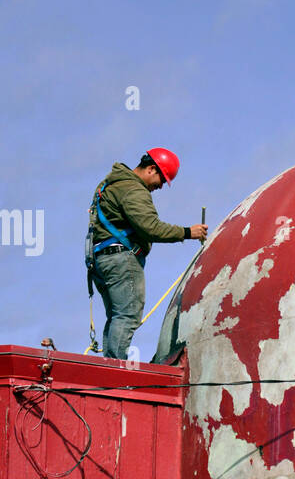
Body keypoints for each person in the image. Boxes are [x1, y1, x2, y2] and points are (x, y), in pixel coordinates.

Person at [86, 148, 207, 359]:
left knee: (116, 317)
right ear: (152, 169)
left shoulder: (110, 185)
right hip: (122, 259)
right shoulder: (133, 189)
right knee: (127, 315)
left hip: (100, 259)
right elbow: (150, 227)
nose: (160, 187)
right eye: (162, 180)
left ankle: (108, 366)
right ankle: (116, 370)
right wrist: (188, 232)